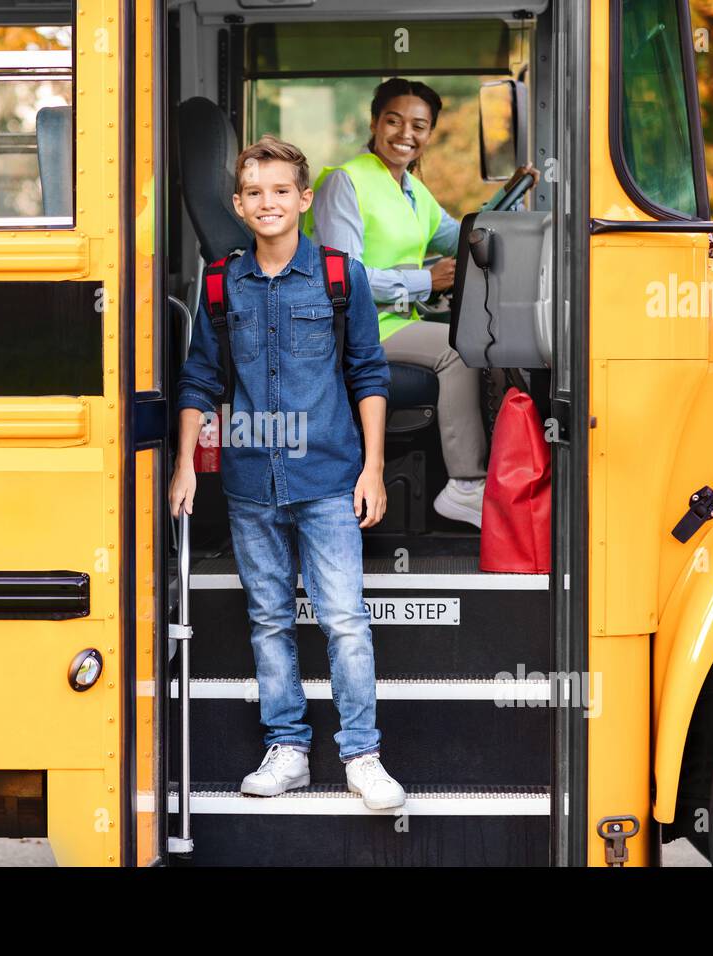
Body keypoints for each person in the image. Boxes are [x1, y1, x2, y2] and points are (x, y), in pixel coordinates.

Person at [169, 134, 405, 810]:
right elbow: (198, 380)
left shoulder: (340, 276)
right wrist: (185, 465)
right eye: (253, 193)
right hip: (249, 485)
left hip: (330, 478)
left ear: (304, 199)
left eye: (281, 191)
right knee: (269, 619)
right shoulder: (221, 281)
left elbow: (368, 373)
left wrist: (374, 469)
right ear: (240, 206)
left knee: (344, 620)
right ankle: (288, 750)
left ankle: (362, 755)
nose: (267, 202)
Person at [306, 77, 487, 527]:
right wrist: (424, 280)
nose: (406, 133)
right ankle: (466, 485)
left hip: (391, 322)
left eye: (419, 126)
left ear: (430, 134)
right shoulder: (344, 182)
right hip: (351, 330)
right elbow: (342, 276)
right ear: (374, 122)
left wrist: (512, 211)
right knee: (459, 351)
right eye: (394, 120)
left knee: (493, 346)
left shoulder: (412, 190)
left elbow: (463, 236)